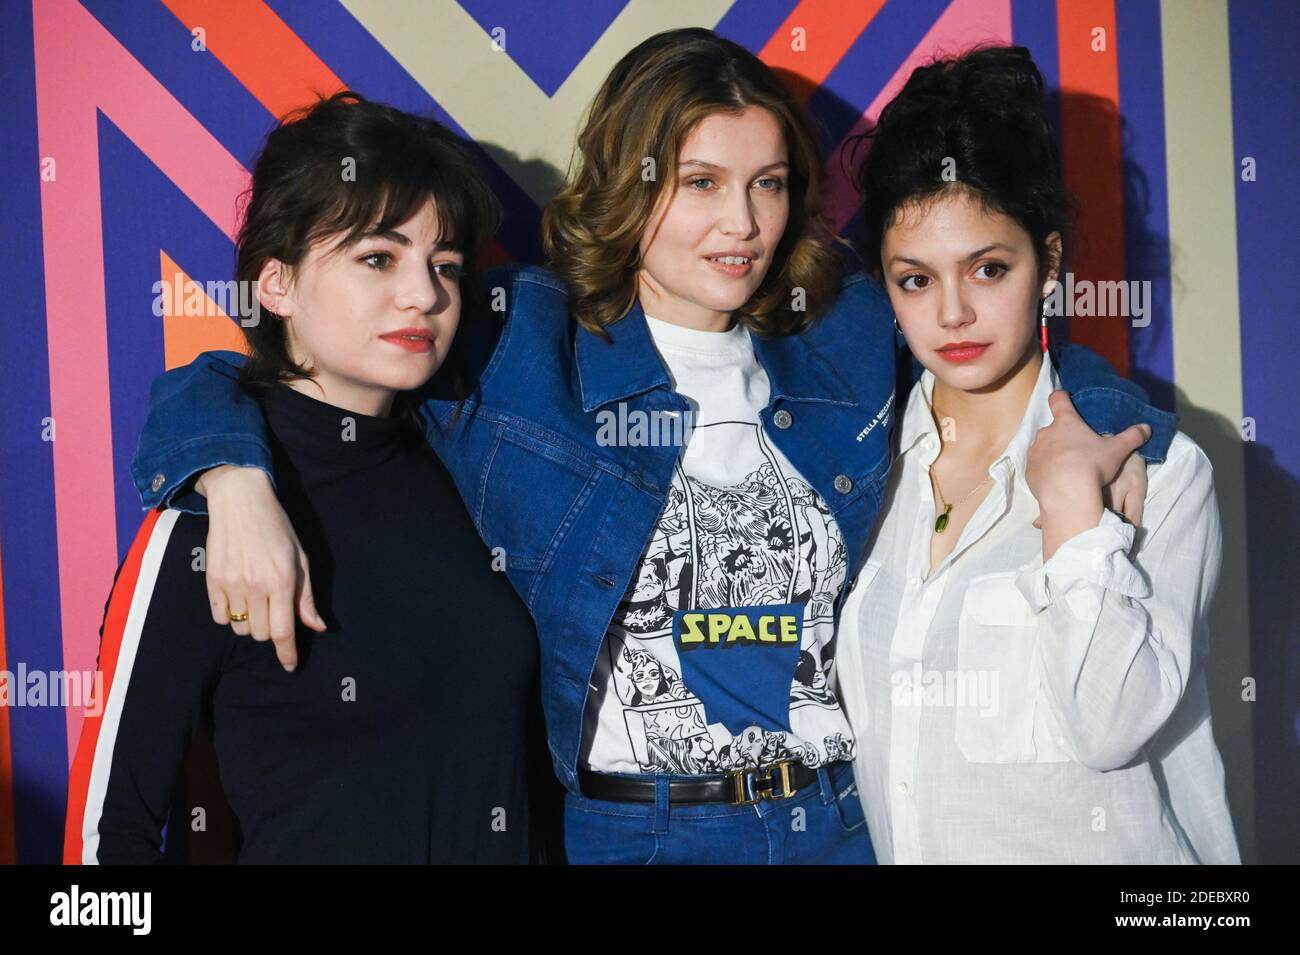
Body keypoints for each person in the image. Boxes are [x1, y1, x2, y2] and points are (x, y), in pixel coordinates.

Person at [126, 31, 1175, 864]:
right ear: (630, 185)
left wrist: (1115, 423)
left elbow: (1005, 340)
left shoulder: (842, 332)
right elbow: (268, 369)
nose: (743, 223)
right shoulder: (514, 339)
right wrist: (233, 470)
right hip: (636, 834)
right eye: (701, 181)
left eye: (768, 183)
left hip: (838, 823)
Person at [64, 92, 541, 864]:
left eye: (444, 264)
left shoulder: (477, 463)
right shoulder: (206, 513)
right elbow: (102, 839)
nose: (424, 294)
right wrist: (234, 484)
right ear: (275, 284)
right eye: (377, 257)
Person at [835, 46, 1239, 864]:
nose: (953, 312)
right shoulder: (862, 471)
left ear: (1049, 264)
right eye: (914, 279)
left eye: (988, 268)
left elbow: (1110, 726)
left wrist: (1071, 515)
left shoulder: (1156, 471)